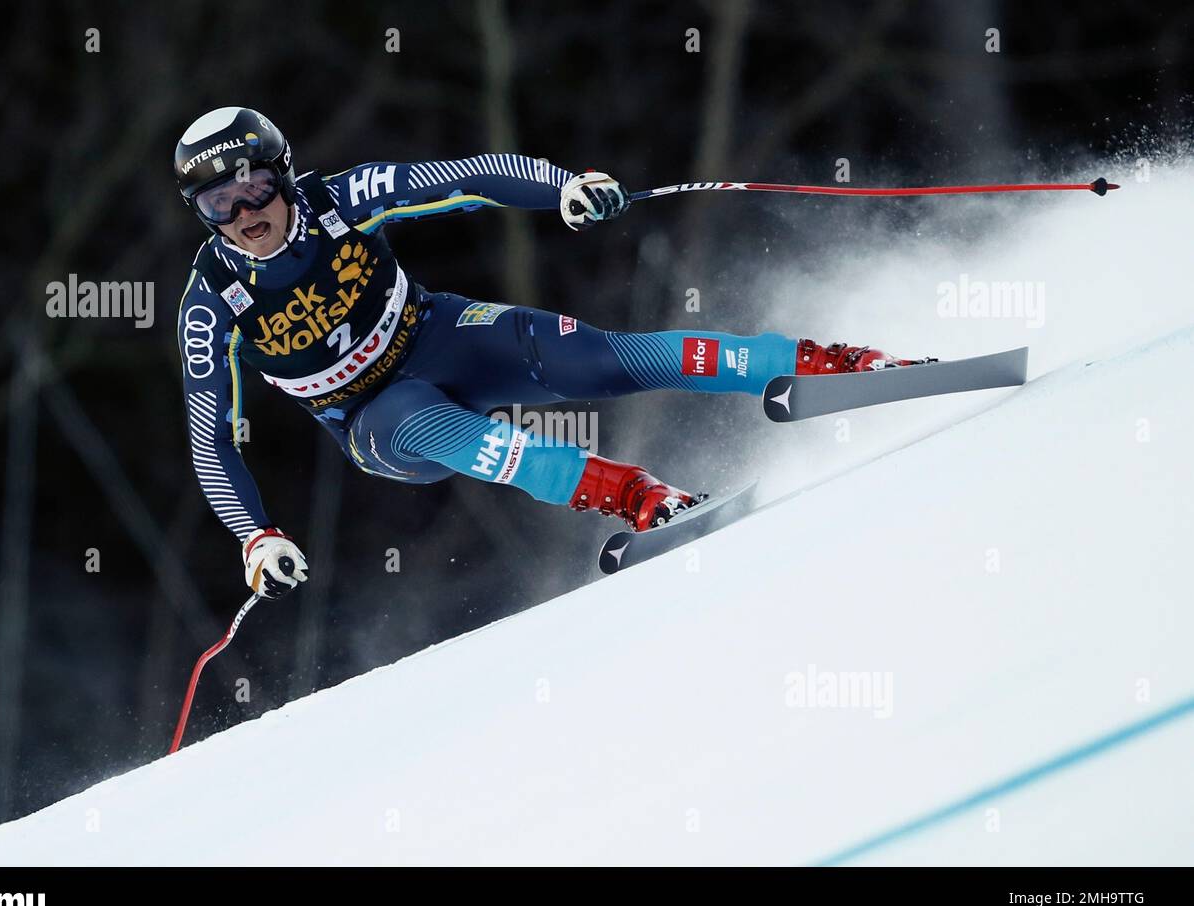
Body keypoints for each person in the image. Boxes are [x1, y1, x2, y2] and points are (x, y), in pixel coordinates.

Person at [173, 107, 929, 599]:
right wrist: (256, 536)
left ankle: (828, 363)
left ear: (283, 177)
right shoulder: (210, 300)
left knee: (600, 361)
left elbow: (467, 178)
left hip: (439, 334)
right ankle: (640, 497)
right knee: (444, 426)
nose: (243, 216)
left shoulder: (338, 198)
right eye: (218, 206)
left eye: (254, 191)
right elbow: (210, 441)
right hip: (376, 419)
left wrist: (567, 186)